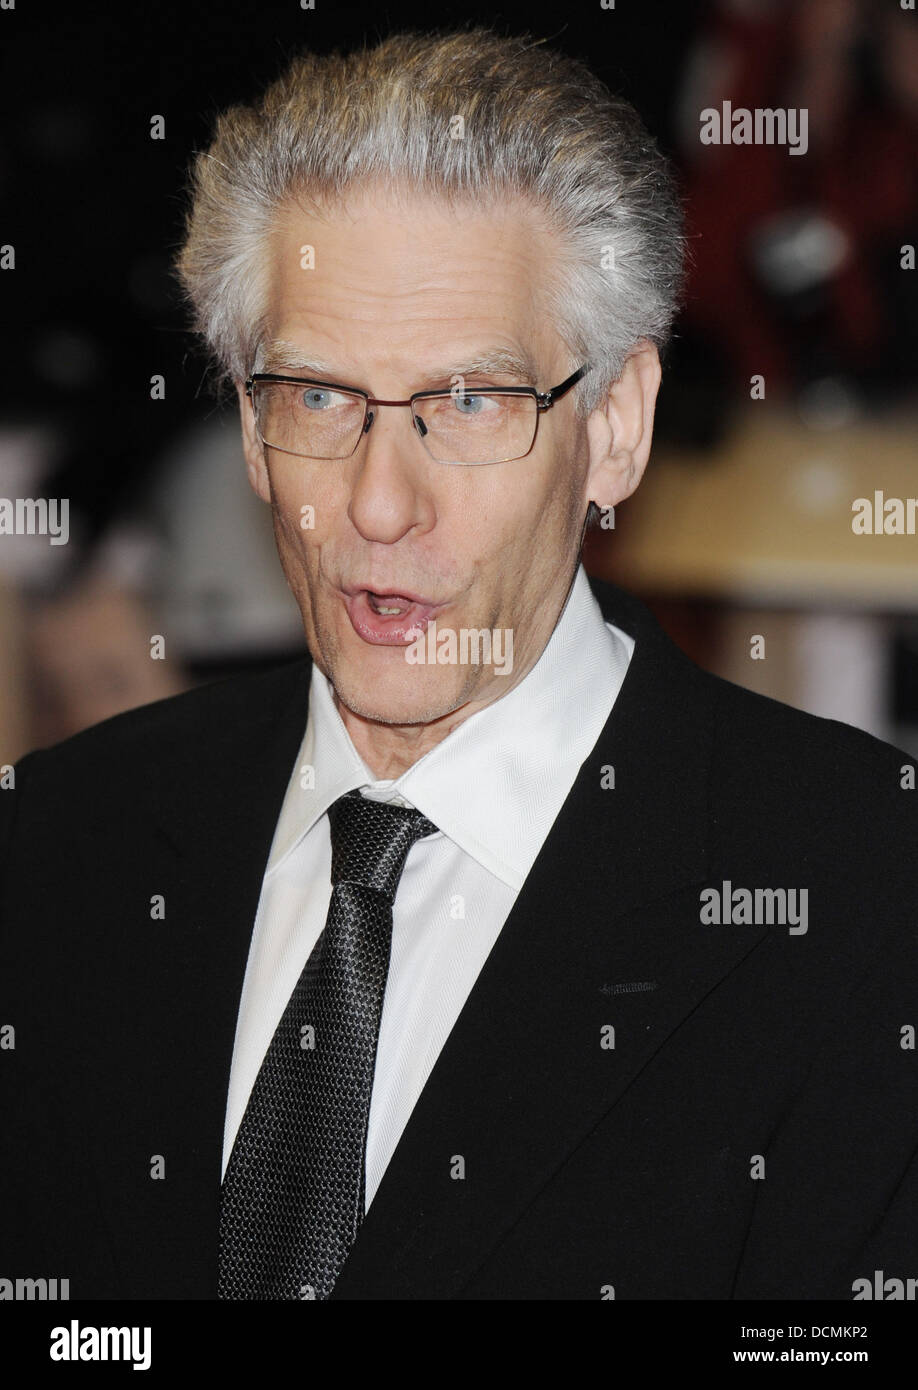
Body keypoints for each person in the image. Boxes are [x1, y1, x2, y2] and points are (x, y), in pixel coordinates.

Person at [1, 27, 915, 1303]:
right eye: (319, 397)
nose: (380, 503)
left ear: (613, 430)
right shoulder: (61, 835)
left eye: (469, 402)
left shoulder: (865, 894)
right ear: (251, 435)